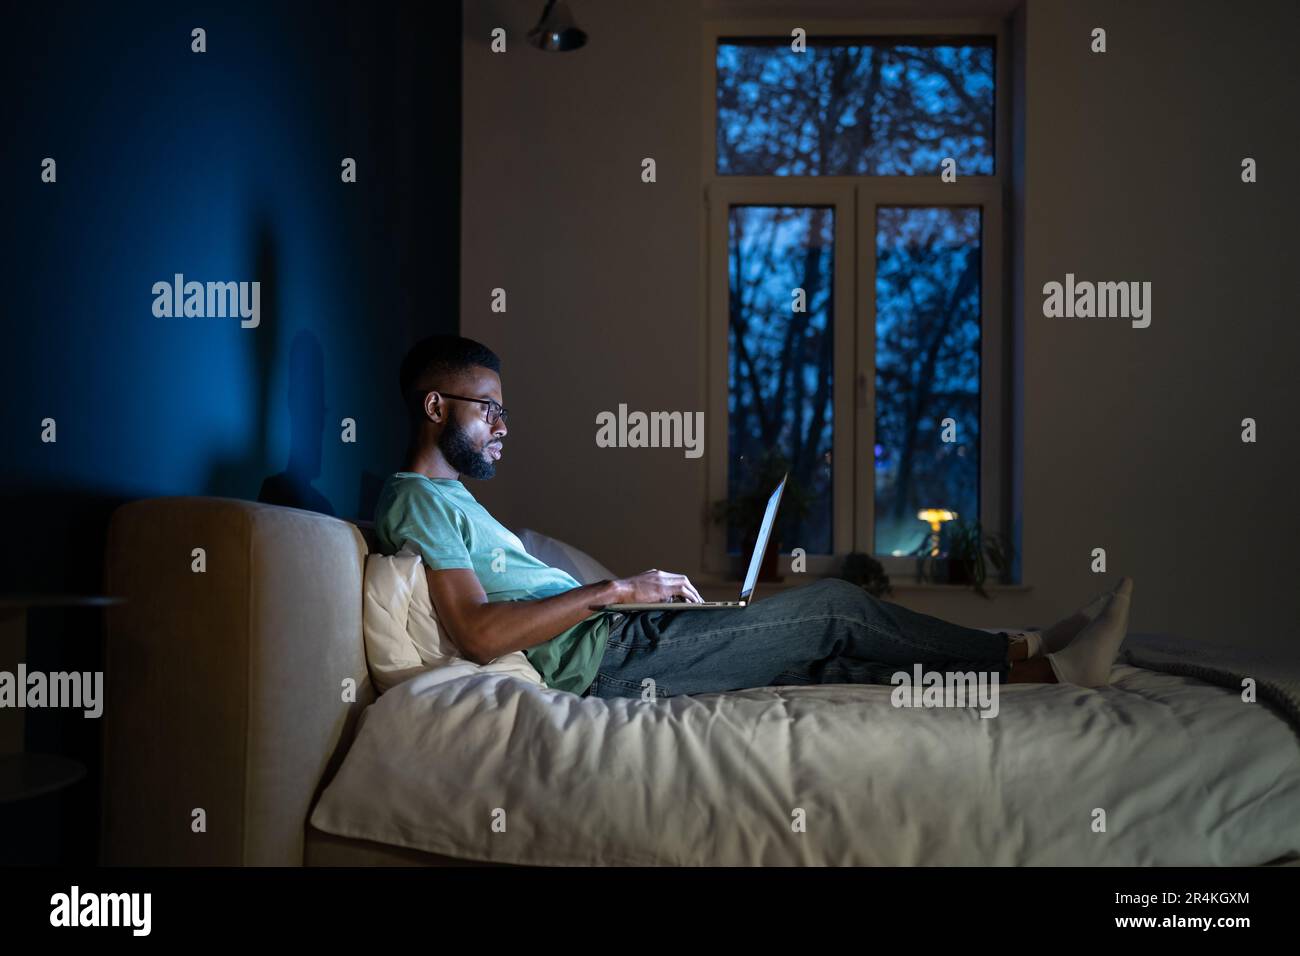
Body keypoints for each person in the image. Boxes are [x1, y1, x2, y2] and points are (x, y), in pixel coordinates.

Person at [374, 334, 1133, 700]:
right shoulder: (416, 497)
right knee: (833, 607)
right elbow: (475, 633)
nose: (504, 427)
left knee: (825, 661)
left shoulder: (453, 502)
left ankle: (1044, 672)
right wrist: (613, 591)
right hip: (611, 657)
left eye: (505, 412)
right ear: (436, 406)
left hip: (621, 640)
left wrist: (630, 596)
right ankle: (1020, 649)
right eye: (490, 411)